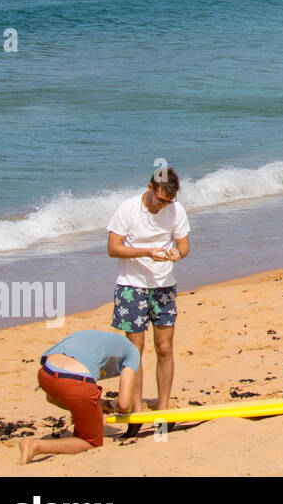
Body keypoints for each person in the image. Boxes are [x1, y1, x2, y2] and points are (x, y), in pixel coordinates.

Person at [108, 166, 190, 413]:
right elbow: (113, 248)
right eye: (160, 200)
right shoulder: (127, 209)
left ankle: (163, 407)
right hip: (131, 287)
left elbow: (184, 245)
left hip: (163, 286)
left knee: (164, 348)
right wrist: (146, 252)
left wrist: (178, 252)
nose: (163, 205)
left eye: (168, 201)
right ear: (150, 188)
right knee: (135, 350)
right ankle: (137, 408)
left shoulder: (176, 210)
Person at [19, 329, 141, 464]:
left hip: (46, 373)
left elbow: (51, 395)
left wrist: (99, 404)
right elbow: (124, 405)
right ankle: (36, 446)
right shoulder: (133, 352)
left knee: (63, 396)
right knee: (91, 442)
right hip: (75, 382)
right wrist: (120, 408)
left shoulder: (92, 335)